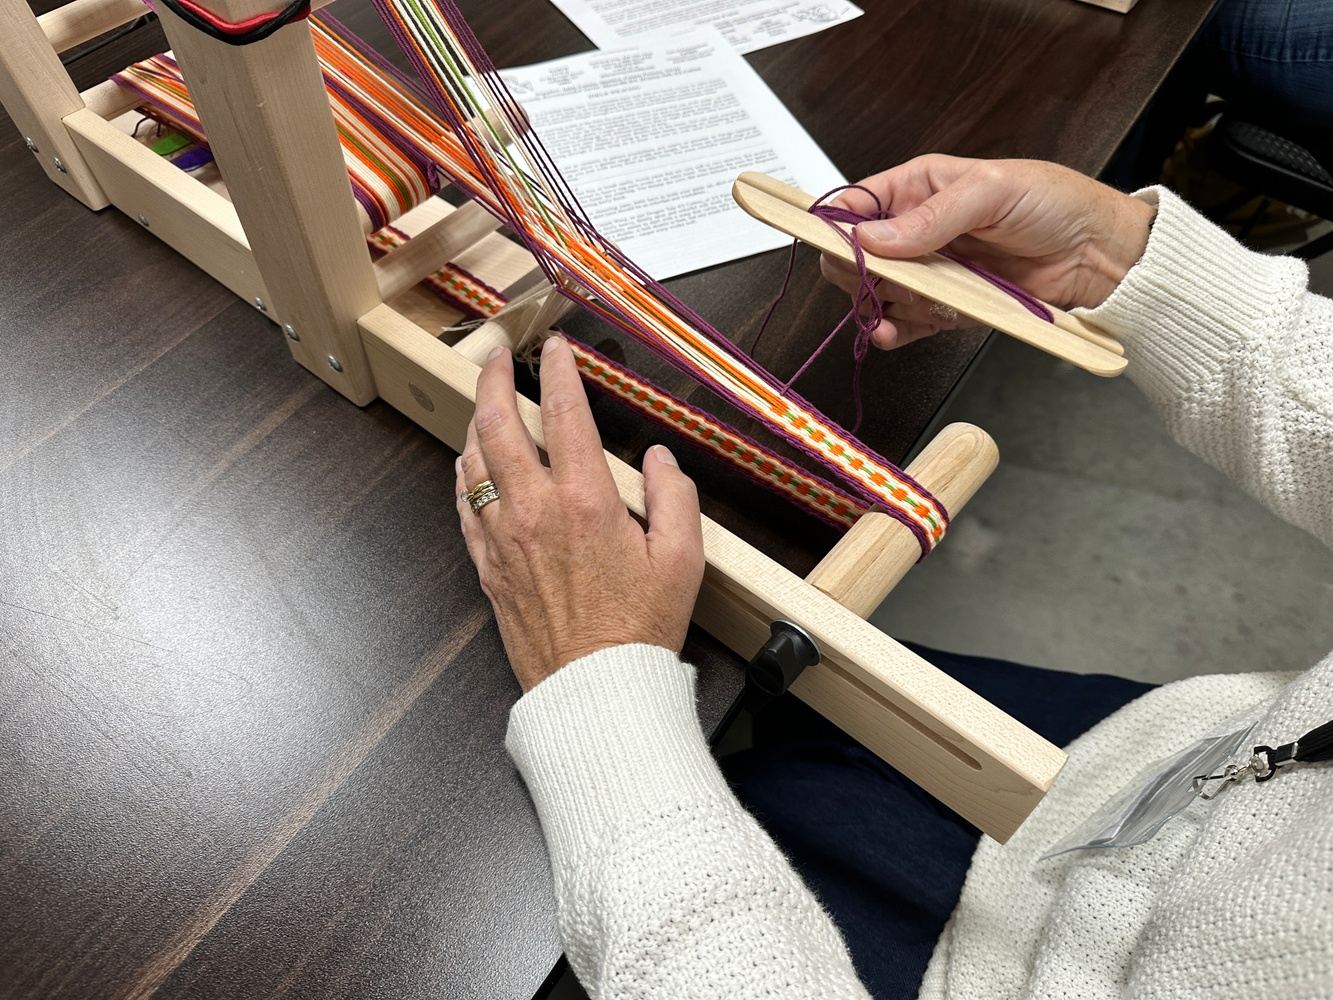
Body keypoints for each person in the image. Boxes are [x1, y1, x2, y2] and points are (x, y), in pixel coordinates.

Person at [453, 155, 1332, 999]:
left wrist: (600, 688)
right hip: (1177, 753)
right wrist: (1113, 255)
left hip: (989, 966)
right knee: (780, 711)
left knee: (546, 864)